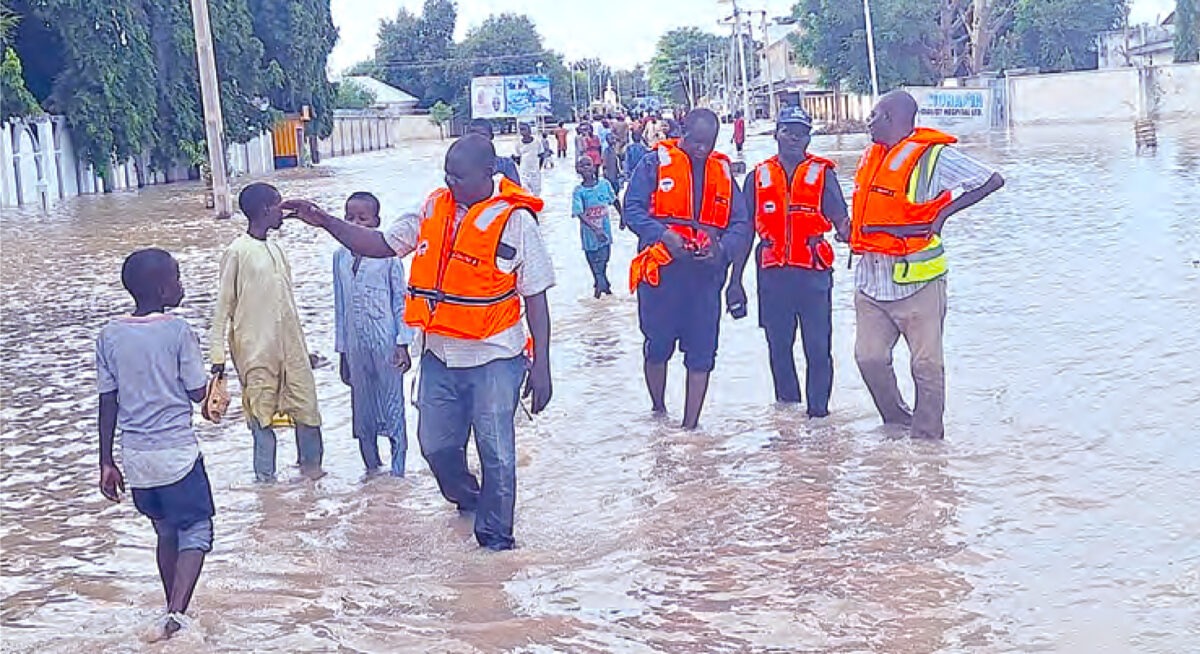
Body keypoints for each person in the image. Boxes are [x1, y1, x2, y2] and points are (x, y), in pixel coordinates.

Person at [281, 134, 554, 551]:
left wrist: (542, 366)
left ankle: (496, 544)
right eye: (446, 174)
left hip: (496, 355)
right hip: (440, 354)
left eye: (459, 176)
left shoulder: (517, 220)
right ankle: (469, 499)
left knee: (497, 452)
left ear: (489, 173)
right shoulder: (432, 208)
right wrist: (326, 222)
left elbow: (536, 297)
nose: (451, 182)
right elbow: (380, 245)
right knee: (436, 447)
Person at [851, 90, 1004, 439]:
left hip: (919, 282)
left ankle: (929, 443)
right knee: (869, 359)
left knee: (926, 366)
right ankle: (896, 422)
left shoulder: (932, 157)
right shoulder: (870, 156)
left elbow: (991, 180)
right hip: (872, 281)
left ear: (891, 119)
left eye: (873, 115)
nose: (868, 121)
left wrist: (943, 216)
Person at [96, 248, 214, 640]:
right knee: (197, 530)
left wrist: (106, 461)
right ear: (163, 287)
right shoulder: (177, 330)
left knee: (165, 532)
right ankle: (177, 614)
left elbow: (107, 400)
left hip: (136, 458)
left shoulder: (109, 335)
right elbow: (198, 392)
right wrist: (218, 383)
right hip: (177, 452)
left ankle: (170, 610)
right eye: (177, 278)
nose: (181, 285)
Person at [624, 108, 752, 430]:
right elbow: (632, 210)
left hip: (705, 276)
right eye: (696, 141)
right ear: (683, 132)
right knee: (657, 346)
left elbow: (741, 224)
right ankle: (659, 411)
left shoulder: (722, 173)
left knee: (702, 352)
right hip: (662, 273)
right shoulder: (653, 163)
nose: (702, 149)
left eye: (708, 143)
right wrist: (663, 236)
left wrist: (721, 251)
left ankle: (690, 427)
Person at [728, 106, 849, 417]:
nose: (795, 137)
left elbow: (843, 223)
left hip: (813, 276)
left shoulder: (824, 174)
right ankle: (788, 419)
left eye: (802, 132)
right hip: (773, 276)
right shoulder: (757, 176)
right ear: (776, 134)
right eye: (788, 131)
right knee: (779, 349)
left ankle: (819, 420)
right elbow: (744, 234)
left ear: (809, 137)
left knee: (818, 349)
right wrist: (735, 281)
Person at [210, 183, 324, 482]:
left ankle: (312, 478)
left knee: (308, 414)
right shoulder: (237, 251)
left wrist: (303, 346)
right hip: (255, 351)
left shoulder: (276, 248)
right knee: (262, 420)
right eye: (278, 205)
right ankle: (267, 488)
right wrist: (218, 357)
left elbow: (287, 305)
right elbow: (222, 306)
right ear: (264, 210)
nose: (282, 211)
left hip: (291, 349)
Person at [333, 192, 414, 477]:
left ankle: (398, 473)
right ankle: (371, 472)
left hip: (386, 342)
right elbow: (340, 306)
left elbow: (401, 301)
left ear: (376, 222)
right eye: (349, 218)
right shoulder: (340, 256)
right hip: (356, 347)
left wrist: (403, 344)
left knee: (393, 407)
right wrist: (342, 352)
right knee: (362, 411)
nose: (355, 224)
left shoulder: (388, 256)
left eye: (362, 219)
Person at [572, 156, 617, 298]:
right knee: (593, 260)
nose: (586, 168)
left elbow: (614, 200)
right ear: (578, 170)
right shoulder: (579, 191)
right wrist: (595, 229)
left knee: (604, 259)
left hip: (605, 230)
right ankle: (601, 285)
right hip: (589, 234)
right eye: (582, 166)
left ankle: (600, 285)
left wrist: (623, 217)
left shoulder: (604, 185)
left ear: (594, 167)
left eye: (588, 165)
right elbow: (579, 213)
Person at [467, 118, 521, 186]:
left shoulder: (505, 165)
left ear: (491, 136)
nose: (478, 139)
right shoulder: (459, 165)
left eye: (483, 135)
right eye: (473, 135)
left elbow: (516, 193)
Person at [513, 122, 543, 196]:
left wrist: (539, 168)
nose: (522, 132)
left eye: (524, 129)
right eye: (520, 130)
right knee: (525, 193)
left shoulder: (537, 142)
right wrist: (521, 167)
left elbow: (541, 156)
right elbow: (517, 158)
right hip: (523, 173)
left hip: (535, 172)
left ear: (529, 130)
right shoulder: (518, 144)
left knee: (536, 193)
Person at [601, 132, 624, 222]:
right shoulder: (607, 151)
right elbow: (605, 164)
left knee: (615, 194)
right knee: (613, 195)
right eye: (611, 139)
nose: (613, 140)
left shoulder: (614, 150)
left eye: (613, 139)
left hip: (615, 175)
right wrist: (605, 174)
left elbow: (618, 163)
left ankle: (617, 213)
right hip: (610, 176)